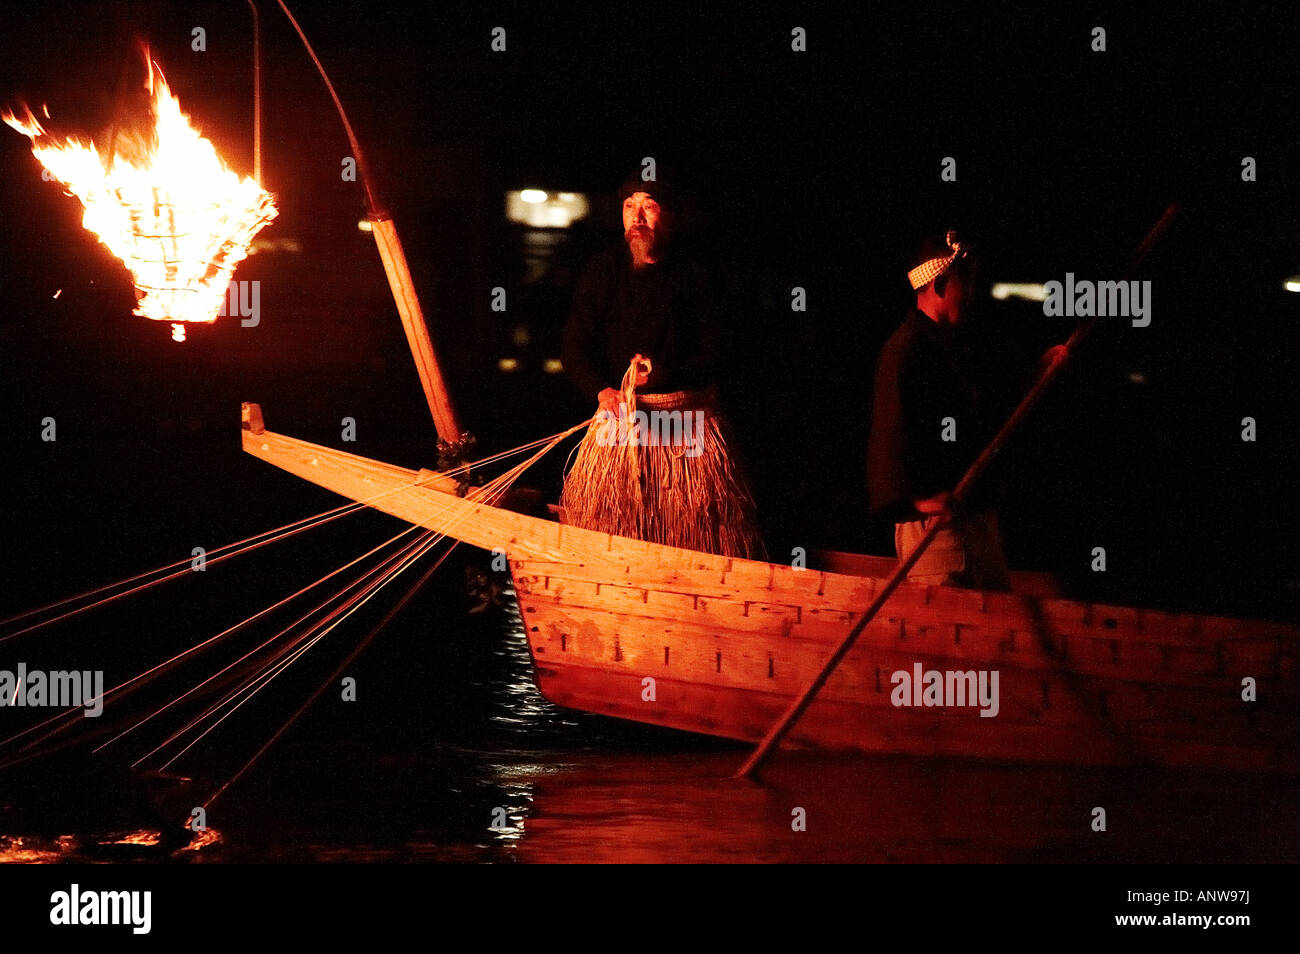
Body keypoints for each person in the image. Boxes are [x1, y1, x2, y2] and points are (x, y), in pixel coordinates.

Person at [559, 173, 764, 559]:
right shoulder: (602, 271)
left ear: (669, 216)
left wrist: (662, 373)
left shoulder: (699, 273)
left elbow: (723, 350)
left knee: (698, 538)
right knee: (613, 542)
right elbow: (573, 348)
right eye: (629, 207)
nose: (637, 217)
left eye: (649, 207)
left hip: (687, 425)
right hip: (621, 424)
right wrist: (601, 390)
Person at [867, 231, 1013, 590]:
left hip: (976, 528)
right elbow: (889, 437)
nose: (973, 293)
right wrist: (917, 501)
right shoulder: (904, 353)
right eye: (967, 283)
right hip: (935, 538)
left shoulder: (958, 349)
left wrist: (1040, 369)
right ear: (943, 283)